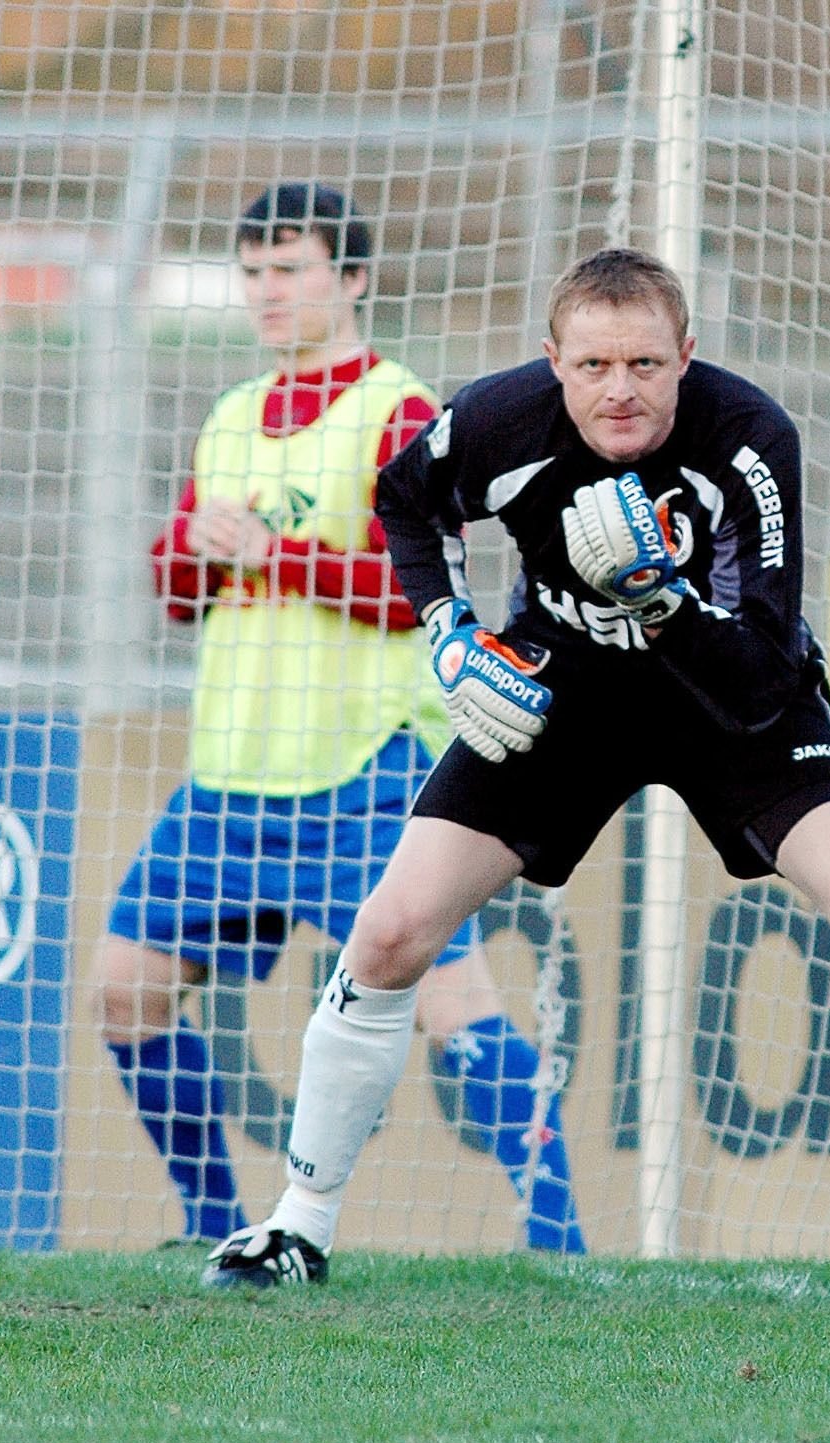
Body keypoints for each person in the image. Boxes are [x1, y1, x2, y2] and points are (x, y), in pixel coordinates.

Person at [203, 245, 830, 1301]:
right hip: (564, 694)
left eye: (647, 364)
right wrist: (449, 630)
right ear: (551, 360)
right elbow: (404, 499)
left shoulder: (749, 439)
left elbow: (759, 672)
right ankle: (298, 1226)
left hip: (728, 686)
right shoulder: (498, 419)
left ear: (686, 355)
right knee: (387, 933)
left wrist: (658, 595)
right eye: (596, 363)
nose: (621, 388)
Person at [95, 182, 584, 1256]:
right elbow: (177, 587)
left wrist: (276, 554)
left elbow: (420, 585)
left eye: (291, 269)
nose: (268, 291)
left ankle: (559, 1236)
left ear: (352, 279)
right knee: (126, 988)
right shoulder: (232, 416)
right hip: (231, 775)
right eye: (255, 272)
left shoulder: (401, 411)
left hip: (364, 769)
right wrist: (197, 551)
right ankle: (212, 1221)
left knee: (454, 1004)